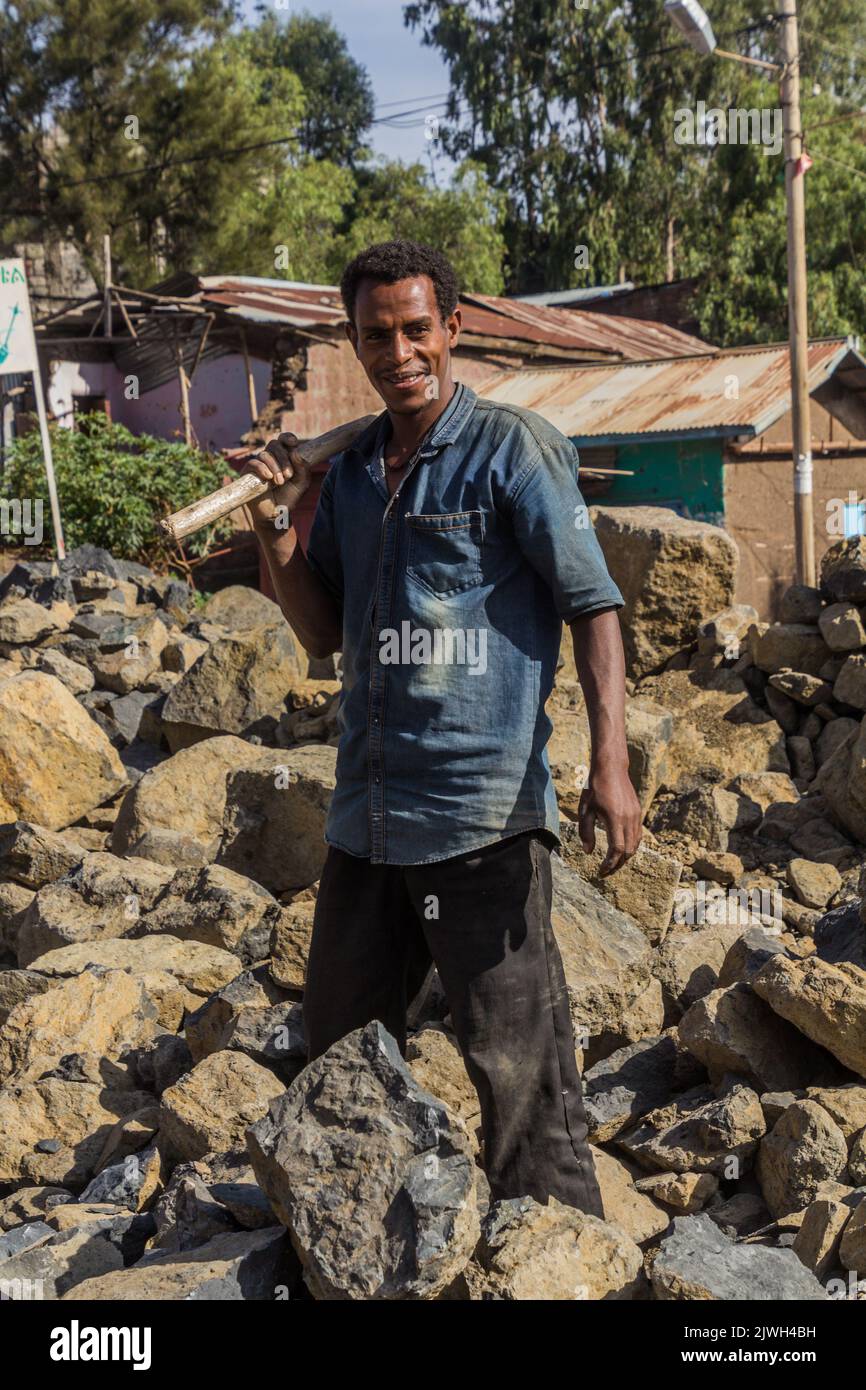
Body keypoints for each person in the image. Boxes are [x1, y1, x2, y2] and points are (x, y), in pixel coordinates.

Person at [242, 239, 642, 1216]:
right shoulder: (343, 476)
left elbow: (593, 606)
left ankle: (558, 1255)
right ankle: (363, 1259)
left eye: (416, 328)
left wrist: (609, 764)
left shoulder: (514, 449)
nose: (399, 351)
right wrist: (273, 529)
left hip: (480, 823)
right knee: (335, 1069)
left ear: (451, 329)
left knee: (521, 1084)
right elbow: (323, 633)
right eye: (376, 334)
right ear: (355, 340)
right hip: (366, 823)